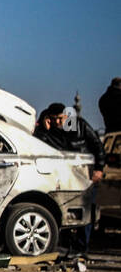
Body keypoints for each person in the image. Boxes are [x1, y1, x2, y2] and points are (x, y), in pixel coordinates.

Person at [36, 102, 105, 255]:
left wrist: (99, 169)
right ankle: (68, 246)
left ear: (66, 115)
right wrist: (43, 128)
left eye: (61, 118)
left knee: (85, 210)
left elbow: (97, 146)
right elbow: (38, 144)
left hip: (85, 174)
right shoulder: (49, 132)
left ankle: (81, 248)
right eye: (54, 119)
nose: (59, 122)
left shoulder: (79, 125)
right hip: (65, 177)